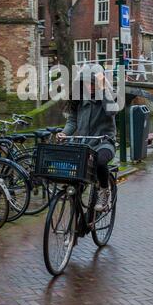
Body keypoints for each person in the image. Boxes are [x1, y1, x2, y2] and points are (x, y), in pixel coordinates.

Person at [57, 68, 118, 212]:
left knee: (99, 161)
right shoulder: (79, 99)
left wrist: (103, 89)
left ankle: (104, 191)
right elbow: (72, 121)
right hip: (84, 144)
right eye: (86, 83)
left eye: (92, 83)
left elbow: (112, 111)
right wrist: (64, 133)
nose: (89, 87)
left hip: (104, 143)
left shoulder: (108, 95)